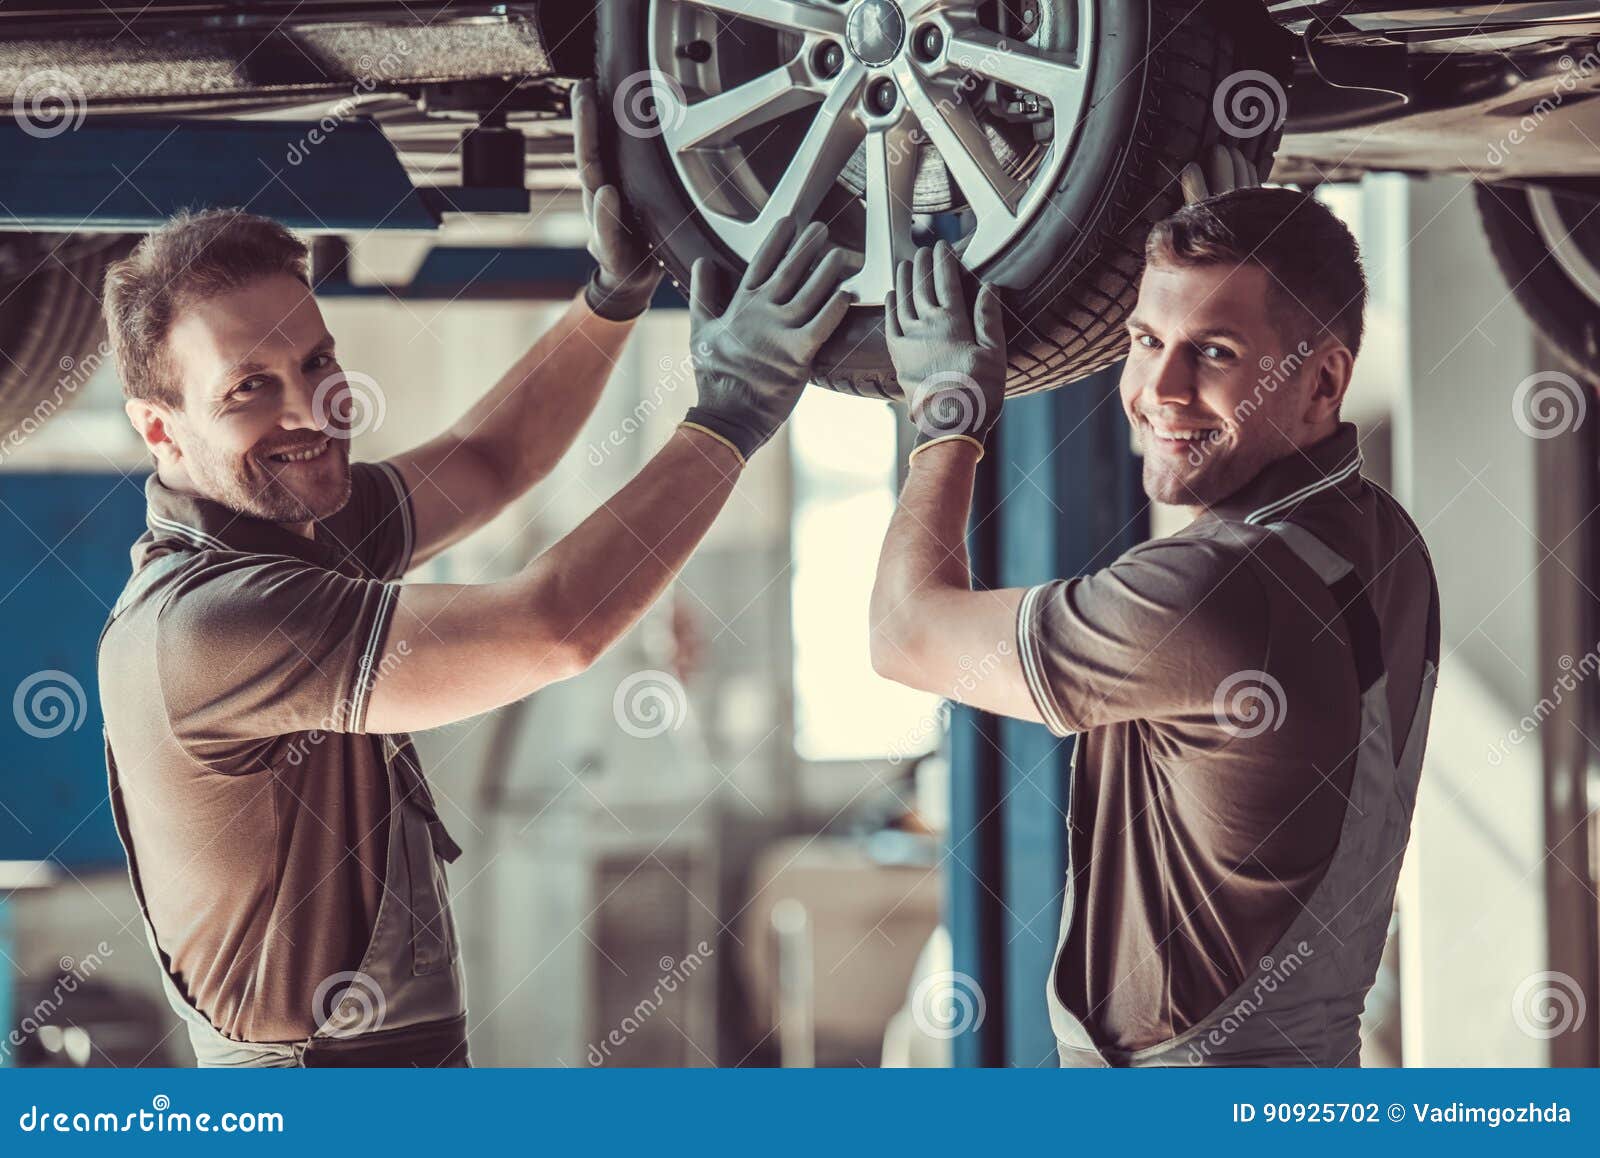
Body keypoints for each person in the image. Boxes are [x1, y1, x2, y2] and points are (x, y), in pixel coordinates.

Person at [96, 79, 857, 1067]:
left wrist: (611, 300)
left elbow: (491, 459)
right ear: (159, 428)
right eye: (251, 389)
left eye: (318, 364)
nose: (311, 411)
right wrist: (733, 414)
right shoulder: (208, 624)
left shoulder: (301, 522)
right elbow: (551, 628)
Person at [867, 160, 1440, 1067]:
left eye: (1214, 353)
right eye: (1145, 339)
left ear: (1325, 383)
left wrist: (945, 419)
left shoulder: (1214, 594)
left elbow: (905, 635)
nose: (1158, 391)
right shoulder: (1385, 541)